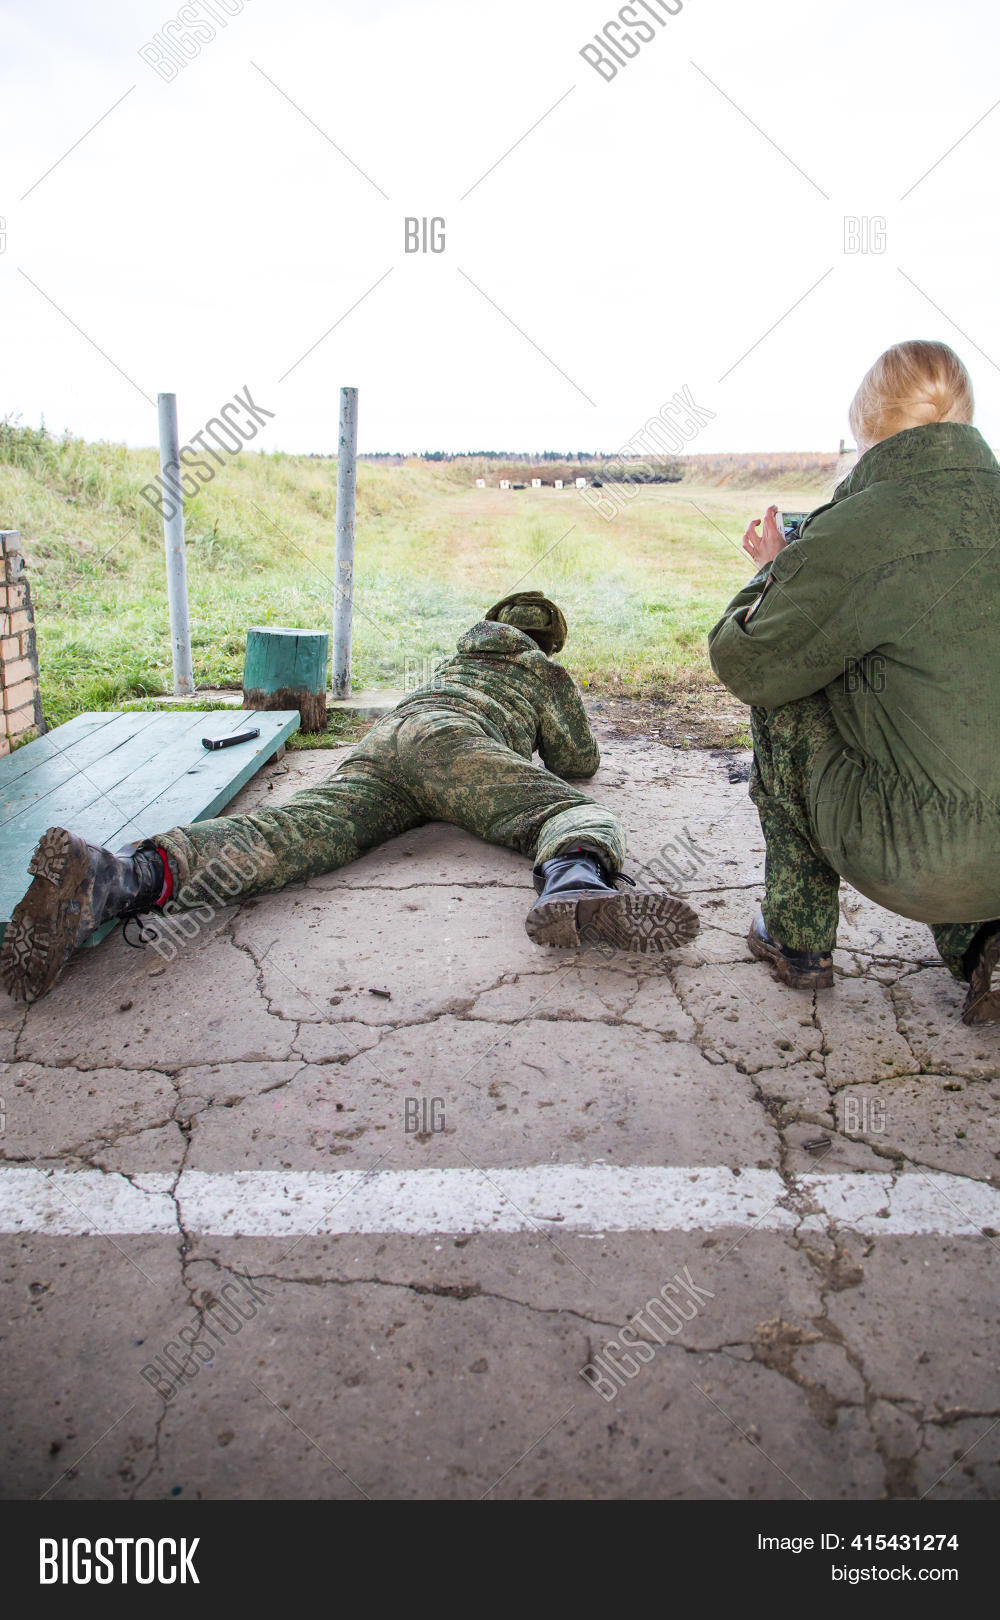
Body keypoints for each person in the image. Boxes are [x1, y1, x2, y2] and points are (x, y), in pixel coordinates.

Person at [1, 590, 698, 1003]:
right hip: (457, 748)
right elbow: (578, 763)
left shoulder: (451, 661)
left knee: (292, 831)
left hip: (387, 743)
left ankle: (120, 875)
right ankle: (576, 884)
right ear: (548, 641)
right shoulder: (542, 670)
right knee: (574, 813)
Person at [708, 339, 1000, 1024]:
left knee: (788, 694)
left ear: (867, 423)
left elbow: (748, 662)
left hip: (920, 860)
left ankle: (798, 936)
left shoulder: (861, 525)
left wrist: (774, 573)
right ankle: (985, 941)